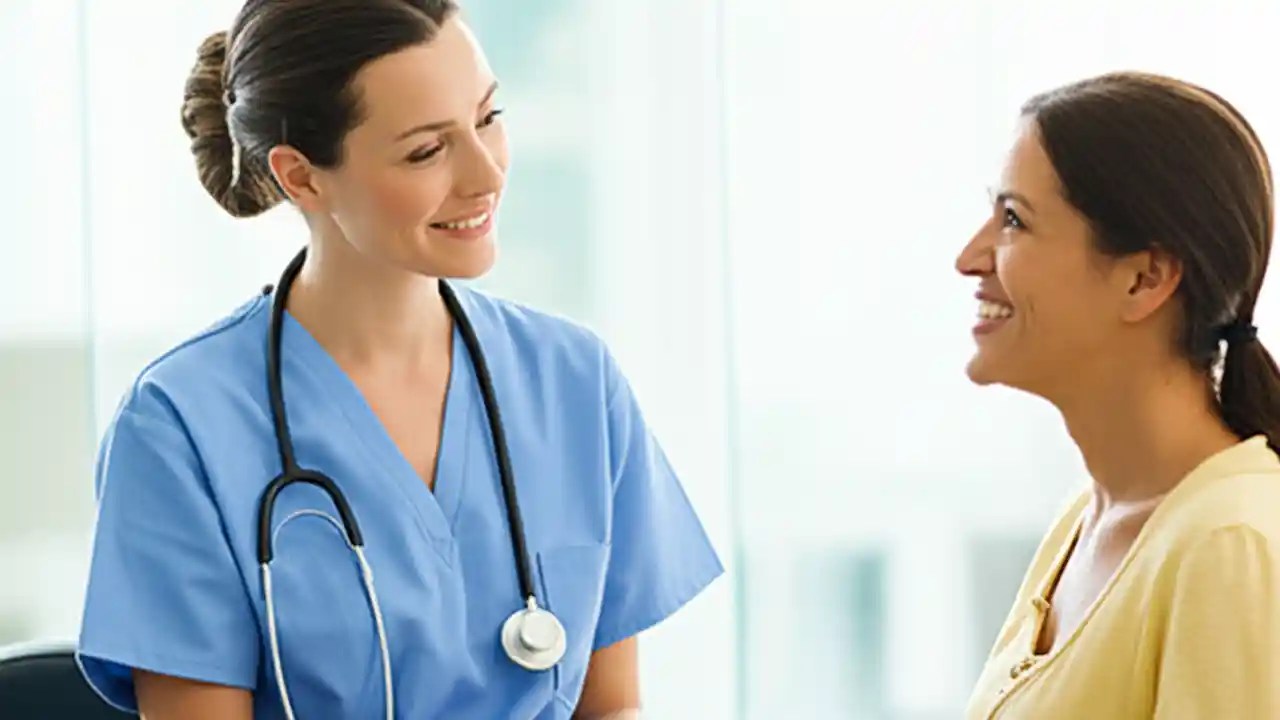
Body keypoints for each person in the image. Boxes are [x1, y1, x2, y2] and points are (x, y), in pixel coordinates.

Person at [74, 2, 723, 718]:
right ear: (302, 177)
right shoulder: (180, 426)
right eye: (426, 151)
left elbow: (610, 708)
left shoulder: (573, 382)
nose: (486, 175)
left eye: (487, 117)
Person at [957, 71, 1280, 719]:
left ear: (1145, 278)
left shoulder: (1228, 544)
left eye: (1014, 220)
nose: (970, 257)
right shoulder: (1083, 522)